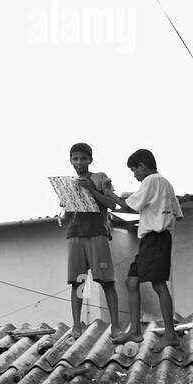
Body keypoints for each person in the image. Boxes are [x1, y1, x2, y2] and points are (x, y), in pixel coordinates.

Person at [95, 149, 183, 347]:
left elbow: (128, 208)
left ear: (142, 166)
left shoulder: (151, 180)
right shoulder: (166, 184)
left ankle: (170, 334)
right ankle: (135, 331)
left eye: (134, 170)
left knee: (158, 284)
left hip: (155, 238)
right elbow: (177, 214)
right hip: (154, 239)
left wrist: (109, 193)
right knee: (132, 281)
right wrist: (146, 207)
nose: (134, 175)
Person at [61, 142, 119, 333]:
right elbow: (66, 215)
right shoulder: (68, 184)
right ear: (70, 161)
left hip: (97, 234)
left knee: (107, 281)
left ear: (90, 160)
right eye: (75, 159)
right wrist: (65, 207)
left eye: (83, 158)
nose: (79, 162)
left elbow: (112, 204)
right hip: (75, 235)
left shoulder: (100, 178)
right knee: (78, 282)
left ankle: (115, 326)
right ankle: (77, 326)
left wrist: (91, 190)